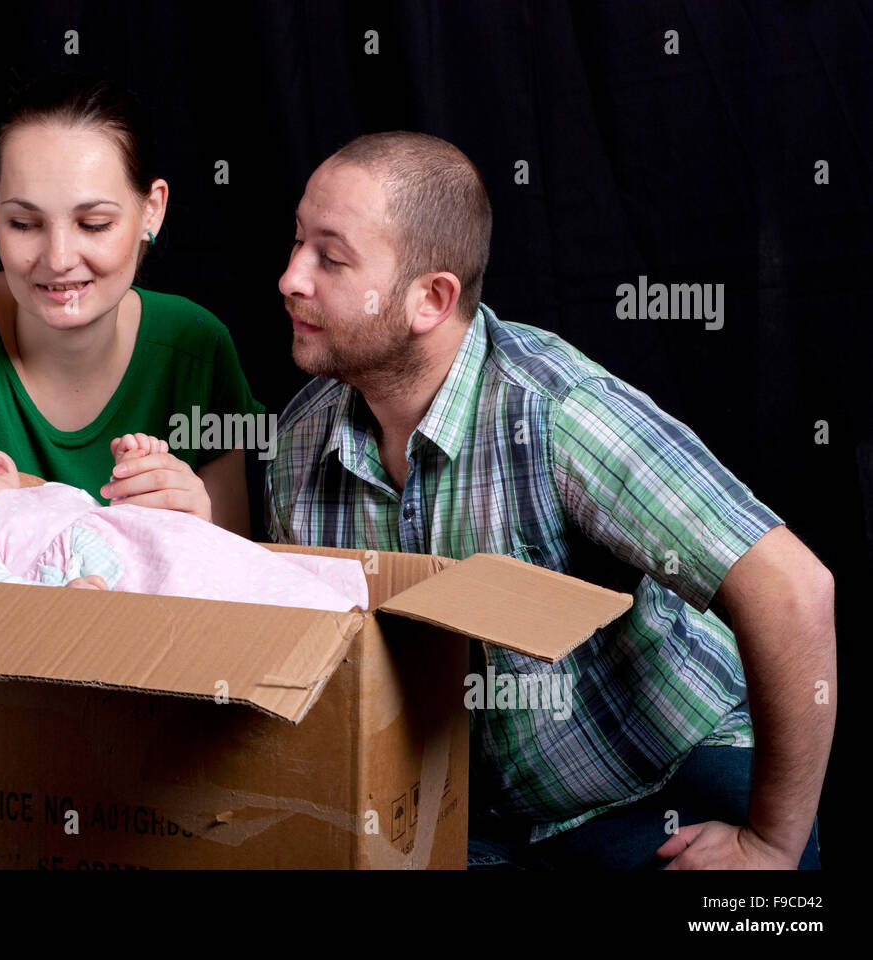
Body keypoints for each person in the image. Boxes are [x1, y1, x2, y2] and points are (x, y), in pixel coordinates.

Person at [265, 132, 834, 869]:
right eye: (297, 243)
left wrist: (771, 844)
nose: (289, 278)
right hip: (478, 818)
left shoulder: (558, 413)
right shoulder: (301, 441)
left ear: (430, 299)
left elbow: (795, 590)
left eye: (329, 258)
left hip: (662, 780)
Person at [0, 75, 263, 536]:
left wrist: (199, 528)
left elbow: (238, 578)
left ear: (152, 210)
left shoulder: (199, 343)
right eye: (24, 223)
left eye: (93, 224)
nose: (59, 260)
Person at [0, 397, 368, 612]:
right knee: (235, 609)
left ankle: (320, 607)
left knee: (254, 572)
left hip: (171, 548)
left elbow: (109, 520)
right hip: (136, 594)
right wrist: (56, 606)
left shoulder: (35, 492)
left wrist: (136, 472)